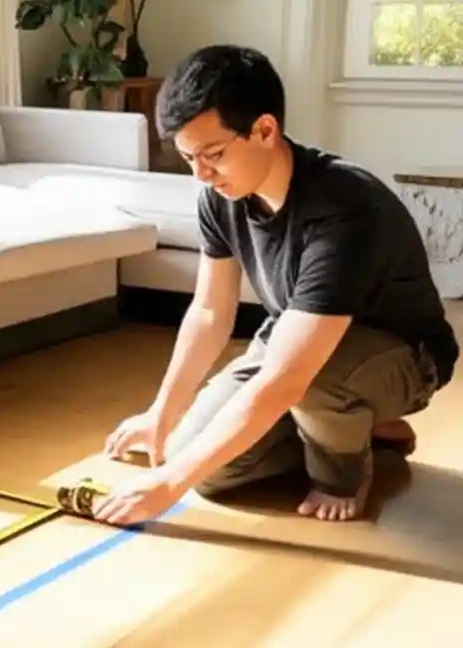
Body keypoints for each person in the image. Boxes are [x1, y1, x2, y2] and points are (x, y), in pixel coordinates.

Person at [93, 44, 458, 525]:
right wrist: (161, 414)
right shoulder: (219, 198)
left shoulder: (345, 208)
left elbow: (287, 377)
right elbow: (209, 312)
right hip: (303, 340)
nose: (201, 175)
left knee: (309, 387)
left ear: (265, 130)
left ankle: (344, 471)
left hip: (403, 353)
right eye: (187, 158)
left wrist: (167, 484)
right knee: (204, 464)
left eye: (214, 154)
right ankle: (361, 427)